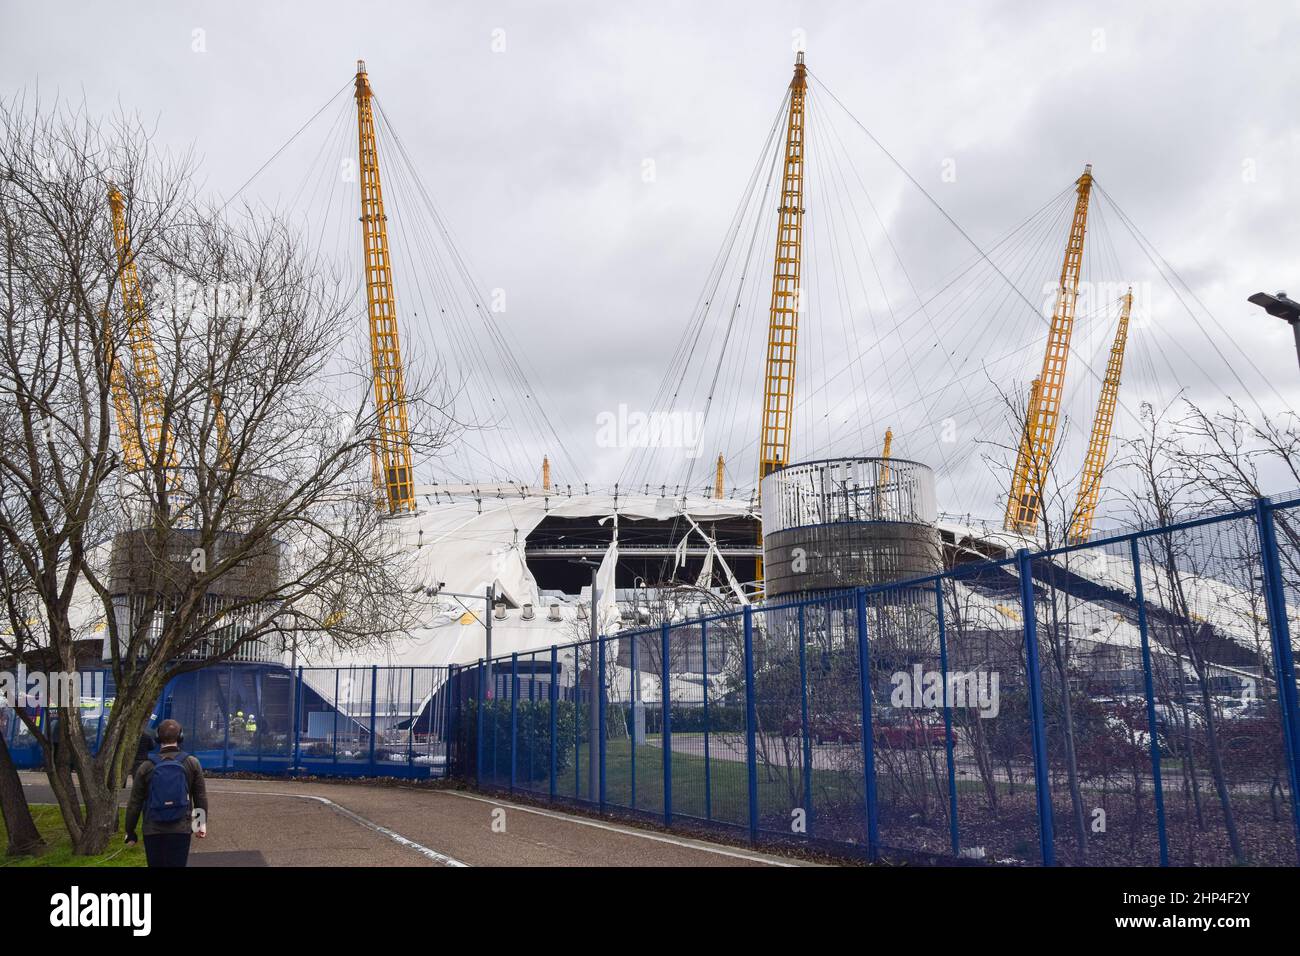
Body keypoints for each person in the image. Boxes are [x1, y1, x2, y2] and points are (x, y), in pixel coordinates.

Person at [124, 719, 208, 867]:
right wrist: (200, 825)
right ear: (180, 737)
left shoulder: (146, 766)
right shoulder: (192, 763)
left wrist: (130, 831)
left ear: (157, 737)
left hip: (153, 829)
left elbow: (135, 803)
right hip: (181, 828)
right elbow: (200, 796)